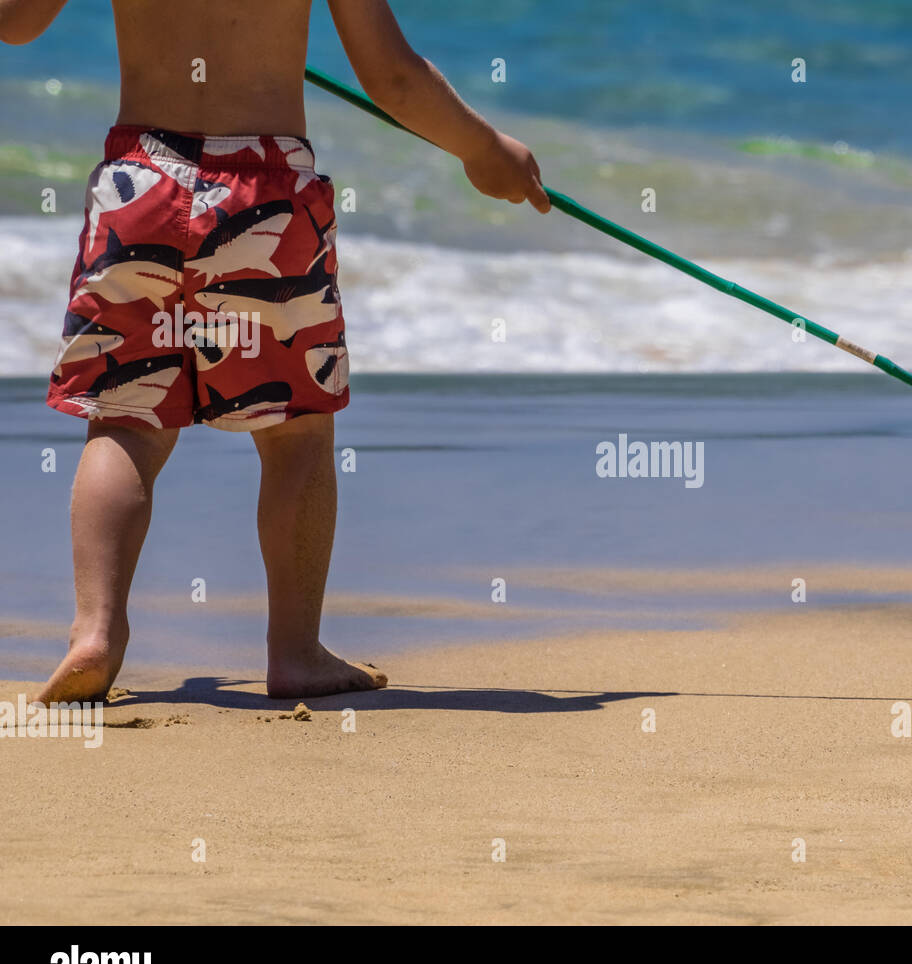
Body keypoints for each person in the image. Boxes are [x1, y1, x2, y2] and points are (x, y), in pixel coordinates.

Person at [0, 0, 550, 701]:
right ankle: (294, 651)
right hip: (263, 191)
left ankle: (96, 632)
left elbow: (15, 21)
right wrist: (482, 147)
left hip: (140, 186)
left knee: (125, 424)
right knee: (296, 433)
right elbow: (392, 76)